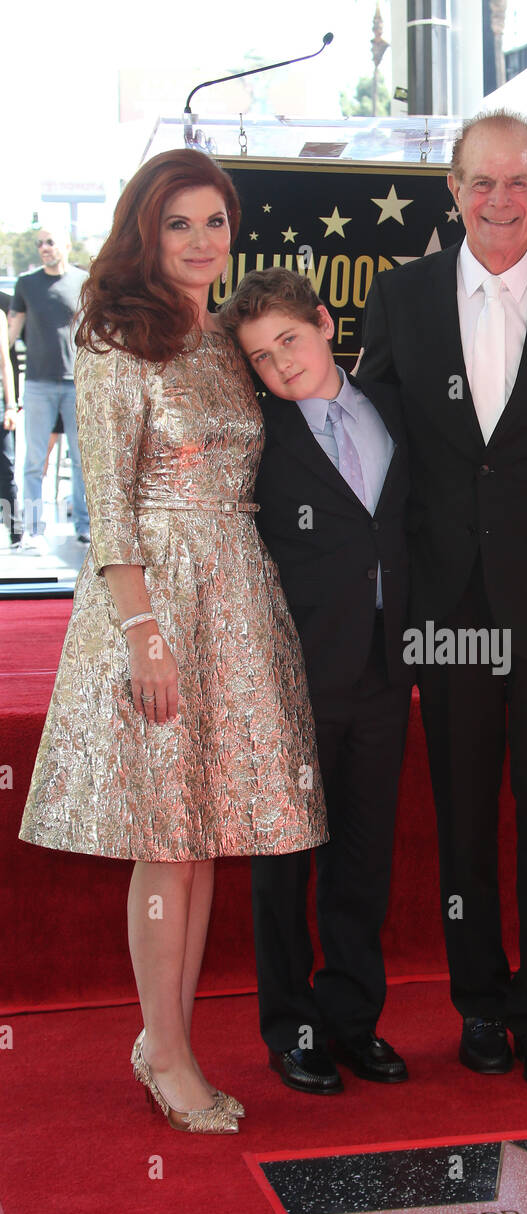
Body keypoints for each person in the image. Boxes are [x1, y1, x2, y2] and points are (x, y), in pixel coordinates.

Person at [19, 149, 327, 1132]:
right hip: (152, 602)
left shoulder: (225, 341)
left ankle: (167, 1036)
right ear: (144, 233)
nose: (201, 242)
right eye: (180, 224)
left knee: (200, 841)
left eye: (216, 223)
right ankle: (166, 1044)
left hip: (234, 596)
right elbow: (106, 506)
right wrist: (143, 635)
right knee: (166, 839)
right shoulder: (116, 338)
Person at [358, 109, 527, 1091]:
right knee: (464, 817)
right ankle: (478, 1005)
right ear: (454, 191)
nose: (500, 199)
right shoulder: (403, 300)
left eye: (518, 181)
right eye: (481, 181)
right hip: (447, 604)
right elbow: (369, 446)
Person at [220, 268, 412, 1094]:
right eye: (261, 358)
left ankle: (352, 1022)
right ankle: (292, 1030)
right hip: (291, 672)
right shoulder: (257, 436)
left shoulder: (392, 407)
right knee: (287, 862)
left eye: (289, 341)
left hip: (387, 665)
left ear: (326, 323)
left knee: (363, 858)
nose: (282, 366)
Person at [8, 224, 90, 542]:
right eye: (40, 243)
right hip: (38, 385)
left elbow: (95, 330)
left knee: (82, 461)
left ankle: (83, 526)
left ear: (66, 245)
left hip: (76, 385)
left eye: (50, 242)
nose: (44, 247)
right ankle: (33, 528)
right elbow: (11, 332)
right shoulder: (26, 284)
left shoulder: (84, 282)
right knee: (33, 461)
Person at [0, 308, 21, 548]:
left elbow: (6, 363)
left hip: (1, 407)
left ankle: (15, 532)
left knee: (6, 470)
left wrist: (10, 405)